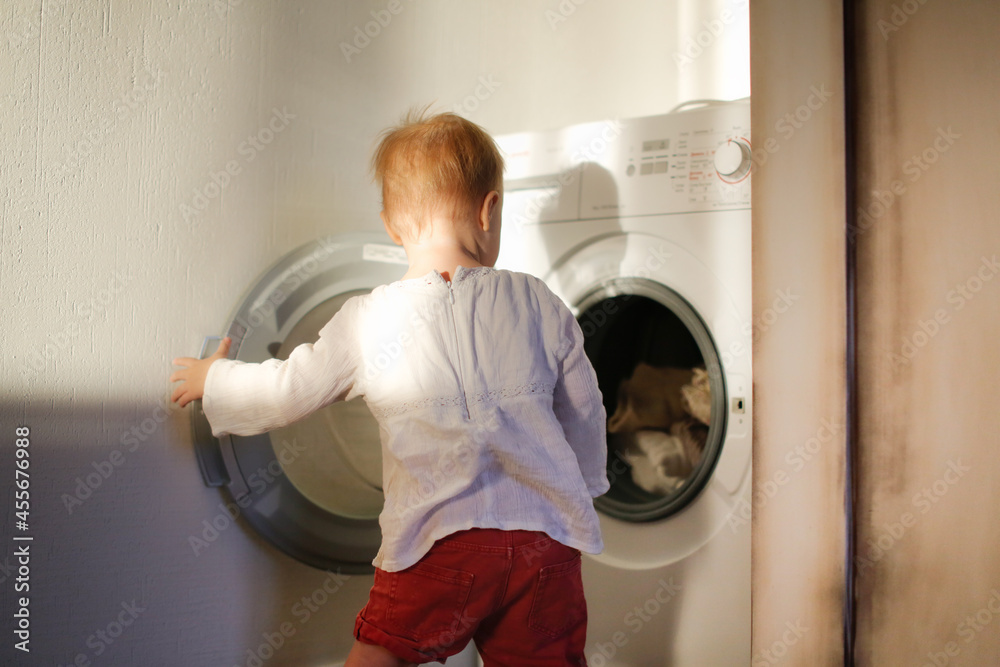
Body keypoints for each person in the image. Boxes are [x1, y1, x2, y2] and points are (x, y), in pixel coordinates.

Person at [170, 109, 609, 666]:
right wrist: (587, 481)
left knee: (383, 657)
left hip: (438, 543)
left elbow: (288, 389)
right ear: (489, 209)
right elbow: (584, 407)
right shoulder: (539, 302)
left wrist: (215, 381)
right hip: (544, 540)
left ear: (391, 226)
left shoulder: (368, 318)